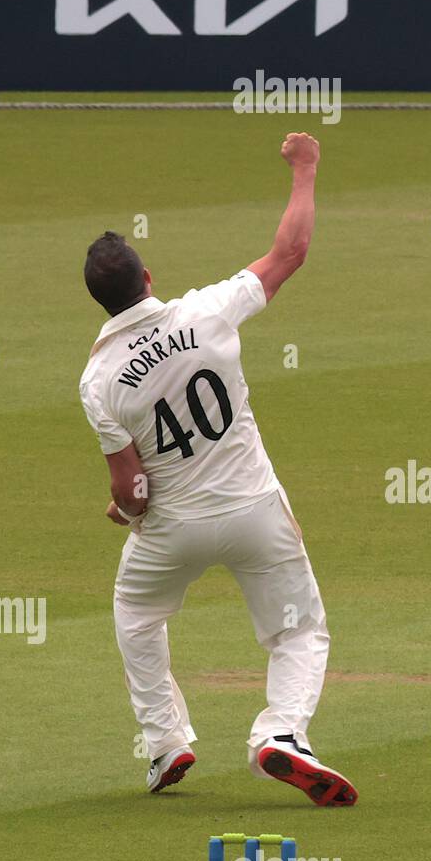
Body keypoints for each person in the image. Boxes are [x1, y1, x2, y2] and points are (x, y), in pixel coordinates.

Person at [78, 133, 357, 807]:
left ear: (101, 301)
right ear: (147, 280)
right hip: (256, 510)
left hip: (172, 528)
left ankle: (165, 743)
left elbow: (131, 487)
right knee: (298, 629)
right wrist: (305, 169)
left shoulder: (99, 379)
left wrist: (129, 509)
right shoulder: (206, 311)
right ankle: (282, 735)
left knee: (137, 613)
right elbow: (289, 253)